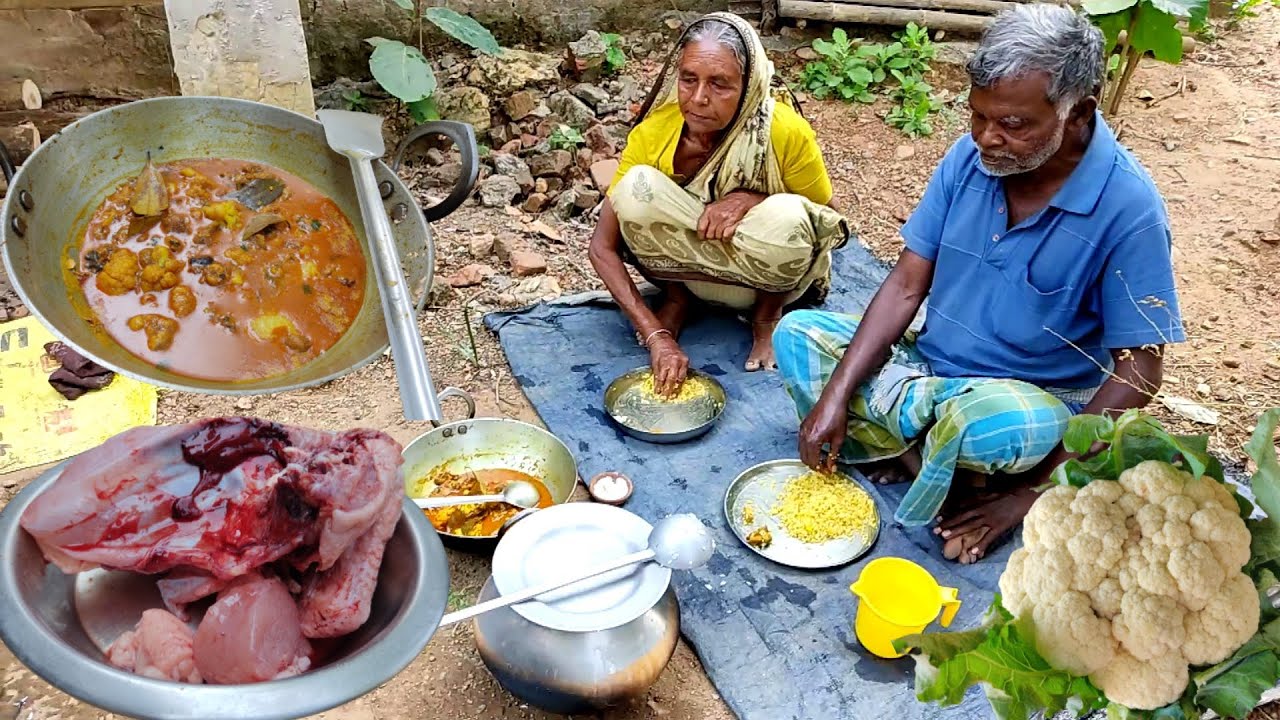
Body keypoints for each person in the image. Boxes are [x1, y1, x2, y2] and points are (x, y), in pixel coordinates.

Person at [774, 3, 1185, 563]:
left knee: (986, 423)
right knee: (798, 334)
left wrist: (1026, 497)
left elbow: (1141, 370)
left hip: (1023, 405)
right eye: (977, 116)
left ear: (1079, 112)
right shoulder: (970, 160)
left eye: (1014, 124)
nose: (987, 138)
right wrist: (835, 398)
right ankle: (932, 449)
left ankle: (928, 447)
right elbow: (903, 286)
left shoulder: (1128, 208)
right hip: (933, 368)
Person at [588, 12, 848, 395]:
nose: (698, 99)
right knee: (635, 189)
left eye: (720, 84)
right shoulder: (655, 131)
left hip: (766, 279)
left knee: (790, 216)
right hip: (685, 274)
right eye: (688, 79)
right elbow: (601, 247)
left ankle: (766, 317)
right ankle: (678, 299)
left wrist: (751, 199)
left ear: (748, 85)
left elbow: (826, 219)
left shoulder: (782, 131)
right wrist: (656, 335)